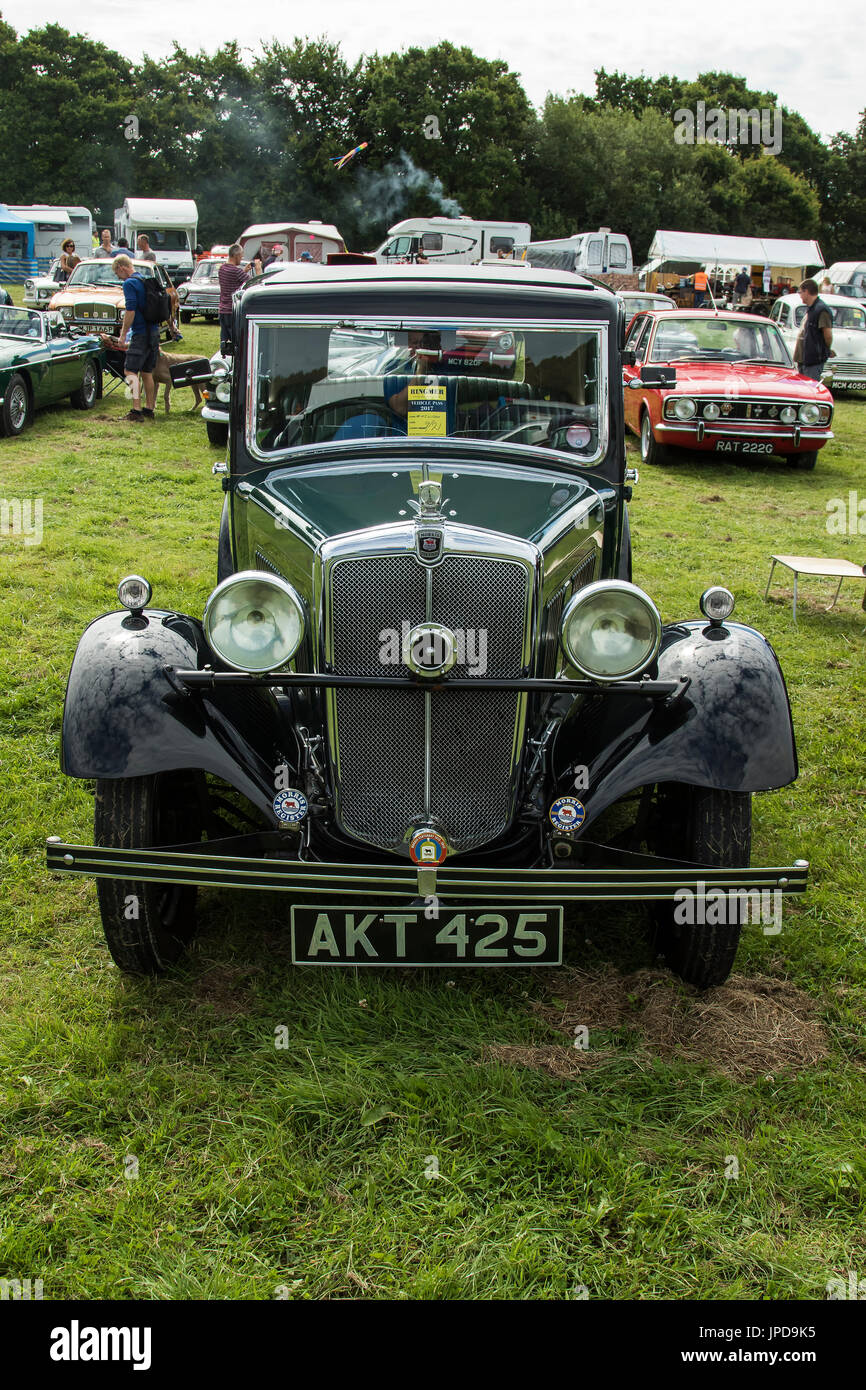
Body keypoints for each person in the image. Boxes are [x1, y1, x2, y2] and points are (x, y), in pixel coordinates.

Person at [112, 254, 159, 422]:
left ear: (121, 267)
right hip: (153, 331)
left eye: (117, 273)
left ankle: (136, 410)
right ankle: (149, 408)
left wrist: (123, 333)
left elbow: (130, 310)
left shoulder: (130, 283)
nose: (118, 277)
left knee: (130, 370)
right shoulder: (145, 280)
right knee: (147, 371)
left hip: (140, 332)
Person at [218, 243, 255, 355]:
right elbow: (253, 283)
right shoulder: (236, 271)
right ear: (236, 255)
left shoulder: (222, 269)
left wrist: (244, 271)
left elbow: (232, 280)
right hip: (232, 311)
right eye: (241, 255)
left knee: (225, 342)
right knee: (236, 342)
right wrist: (258, 269)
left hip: (222, 310)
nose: (242, 258)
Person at [796, 279, 834, 381]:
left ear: (806, 291)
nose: (799, 295)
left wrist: (825, 350)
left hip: (813, 360)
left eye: (800, 292)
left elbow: (828, 335)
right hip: (804, 359)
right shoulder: (811, 309)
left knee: (810, 389)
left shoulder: (821, 310)